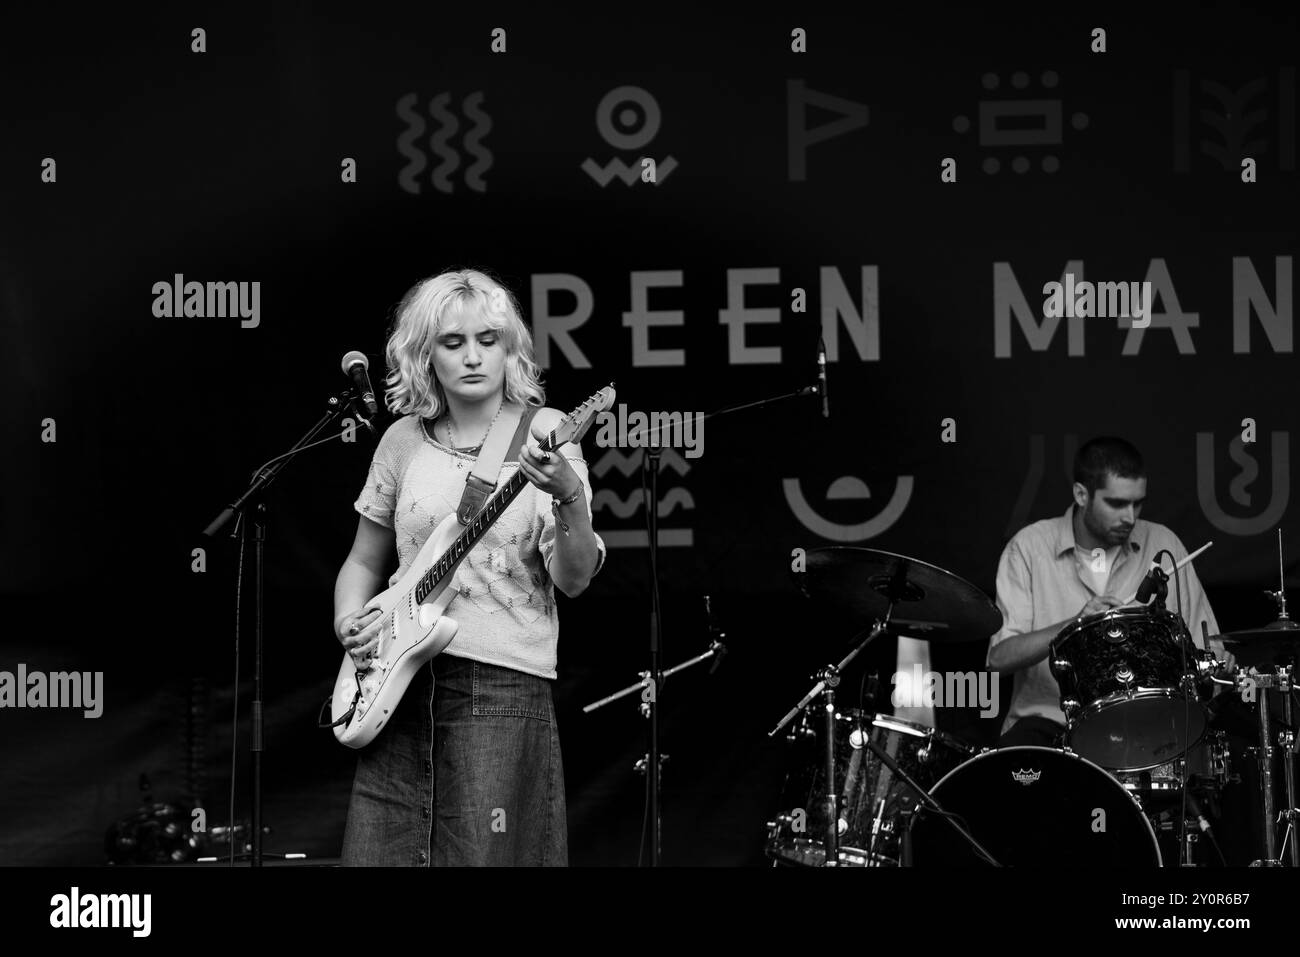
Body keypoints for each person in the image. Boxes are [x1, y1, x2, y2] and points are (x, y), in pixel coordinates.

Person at [332, 268, 605, 866]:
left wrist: (569, 497)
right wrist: (350, 621)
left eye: (488, 339)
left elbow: (575, 578)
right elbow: (361, 559)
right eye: (453, 343)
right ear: (424, 354)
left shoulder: (544, 431)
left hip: (499, 687)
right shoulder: (402, 440)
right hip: (394, 684)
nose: (473, 356)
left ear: (510, 348)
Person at [986, 436, 1226, 748]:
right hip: (1050, 727)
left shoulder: (1163, 543)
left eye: (1137, 503)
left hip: (1145, 728)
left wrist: (1216, 664)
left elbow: (1207, 649)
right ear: (1081, 494)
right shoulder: (1028, 548)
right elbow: (998, 658)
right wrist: (1075, 626)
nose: (1130, 517)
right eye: (1116, 503)